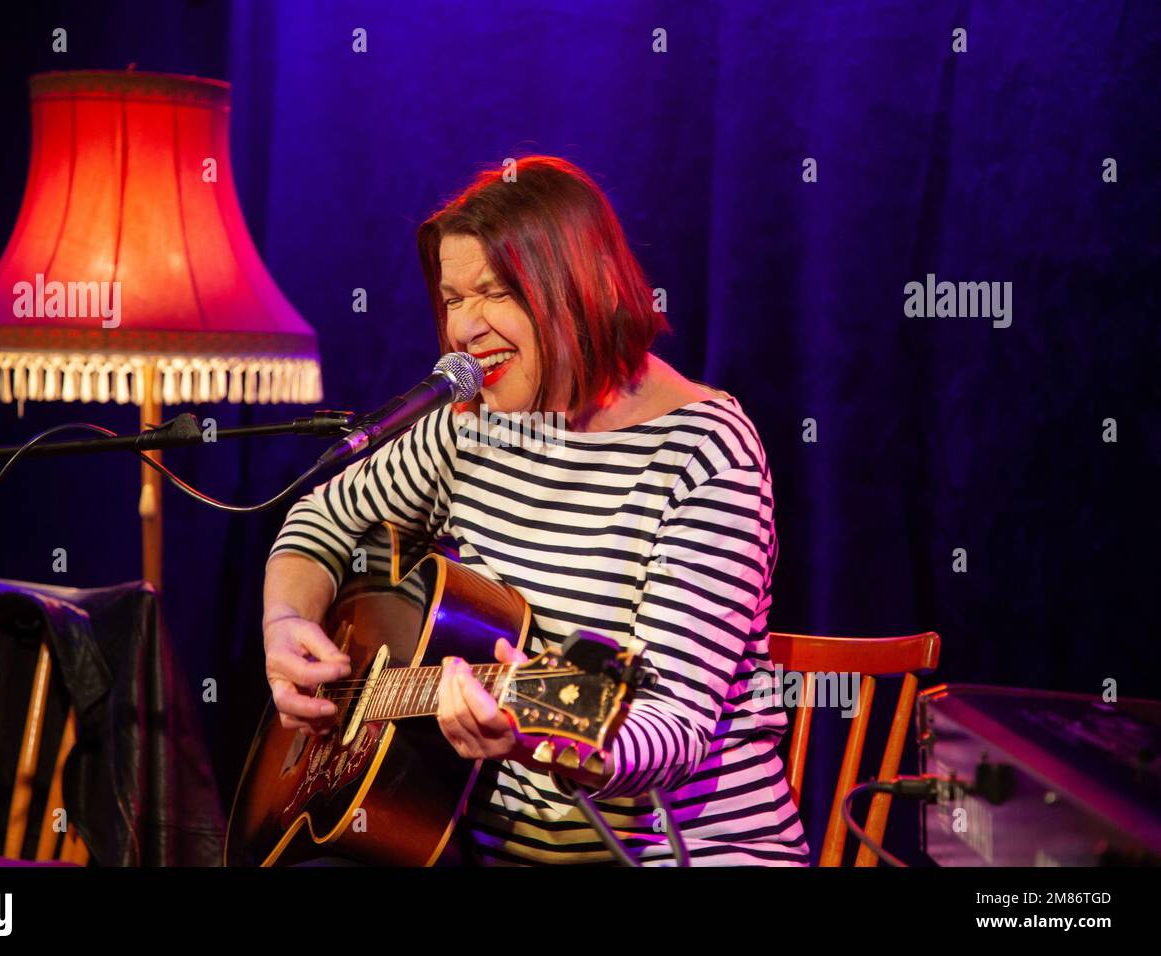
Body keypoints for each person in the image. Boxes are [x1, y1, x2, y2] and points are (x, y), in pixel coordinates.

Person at [263, 156, 809, 865]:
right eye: (453, 298)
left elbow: (671, 725)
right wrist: (286, 624)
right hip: (484, 849)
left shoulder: (706, 452)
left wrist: (533, 739)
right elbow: (323, 518)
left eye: (494, 293)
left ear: (586, 286)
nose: (464, 329)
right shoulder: (476, 423)